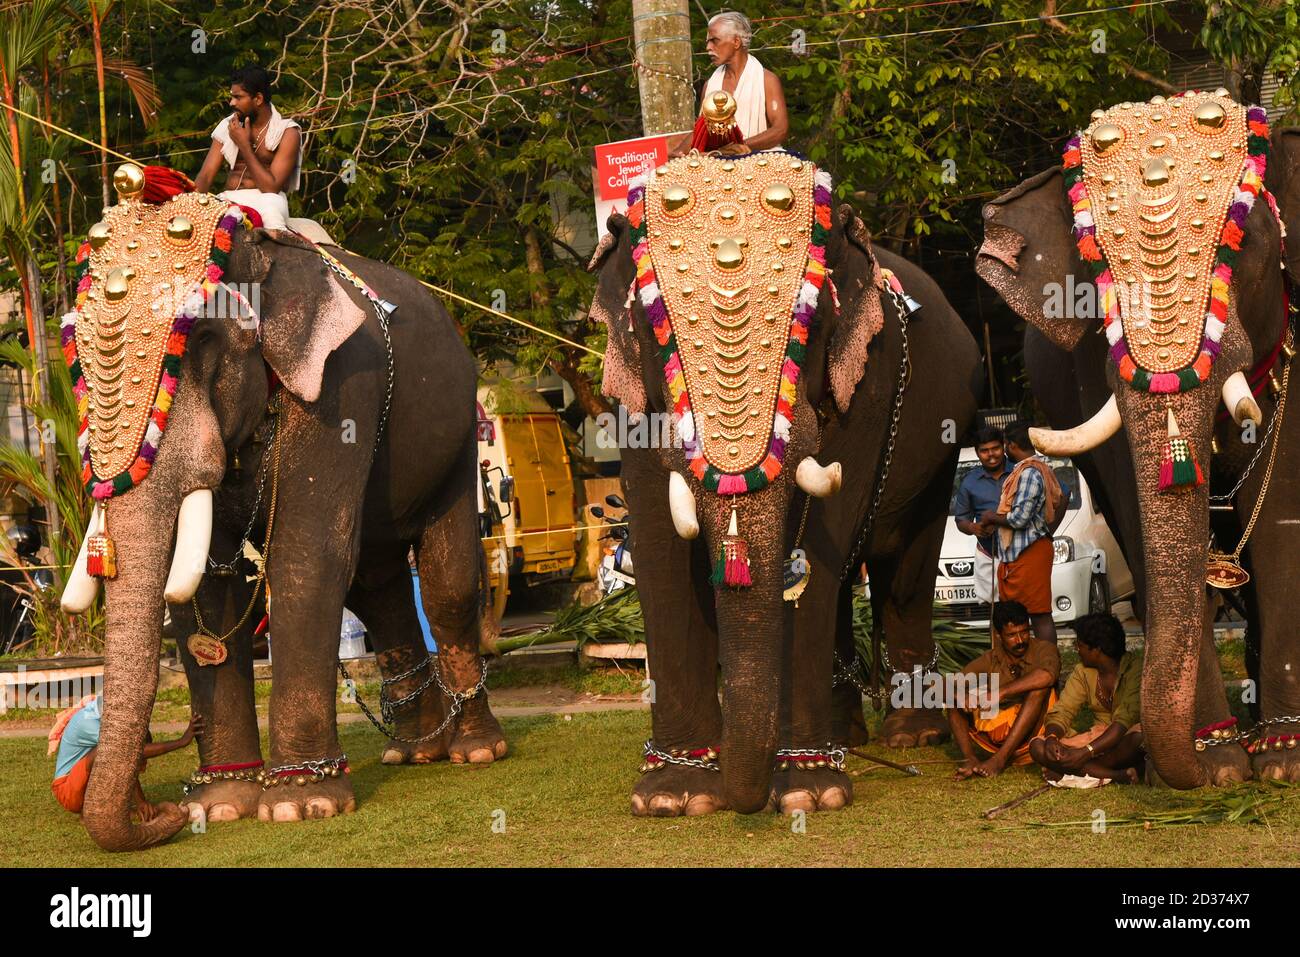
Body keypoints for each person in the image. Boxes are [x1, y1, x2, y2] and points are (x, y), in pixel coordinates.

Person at [948, 600, 1059, 780]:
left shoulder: (1044, 649)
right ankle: (969, 760)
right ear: (998, 635)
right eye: (1012, 635)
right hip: (997, 734)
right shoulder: (989, 659)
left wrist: (1001, 692)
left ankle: (1000, 760)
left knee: (1040, 689)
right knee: (955, 700)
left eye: (1024, 632)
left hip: (1036, 733)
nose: (1020, 640)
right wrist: (961, 695)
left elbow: (1047, 676)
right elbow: (947, 685)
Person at [1030, 613, 1144, 784]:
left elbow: (1123, 723)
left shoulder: (1135, 668)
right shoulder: (1082, 671)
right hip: (1096, 741)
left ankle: (1071, 770)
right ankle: (1117, 776)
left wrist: (1086, 752)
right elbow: (1063, 711)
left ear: (1097, 650)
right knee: (1038, 747)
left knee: (1138, 739)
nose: (1077, 650)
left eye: (1080, 645)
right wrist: (1052, 738)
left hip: (1123, 738)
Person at [49, 694, 204, 819]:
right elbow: (125, 753)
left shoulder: (100, 715)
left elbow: (126, 755)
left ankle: (105, 808)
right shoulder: (87, 721)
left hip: (82, 785)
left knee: (127, 744)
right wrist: (181, 742)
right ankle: (94, 810)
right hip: (67, 791)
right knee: (106, 751)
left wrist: (140, 801)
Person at [980, 423, 1065, 645]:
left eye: (1005, 445)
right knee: (1016, 617)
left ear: (1011, 445)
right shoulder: (1035, 468)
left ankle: (1049, 667)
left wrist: (991, 517)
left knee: (1038, 615)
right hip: (1019, 555)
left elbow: (1019, 519)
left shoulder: (1029, 472)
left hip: (1029, 553)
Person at [193, 65, 302, 230]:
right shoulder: (229, 125)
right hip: (229, 199)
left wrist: (244, 145)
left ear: (258, 99)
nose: (231, 103)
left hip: (268, 201)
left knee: (273, 219)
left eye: (238, 97)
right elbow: (206, 175)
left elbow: (271, 188)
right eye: (232, 97)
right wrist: (191, 204)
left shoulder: (287, 132)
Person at [670, 12, 789, 156]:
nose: (708, 47)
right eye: (708, 41)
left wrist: (739, 147)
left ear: (736, 42)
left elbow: (780, 130)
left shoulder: (767, 80)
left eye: (714, 40)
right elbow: (703, 130)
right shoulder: (710, 85)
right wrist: (679, 151)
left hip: (760, 160)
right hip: (719, 161)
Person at [952, 426, 1010, 604]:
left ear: (1004, 446)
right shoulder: (969, 482)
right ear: (977, 453)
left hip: (1021, 555)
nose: (991, 454)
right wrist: (973, 527)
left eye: (995, 448)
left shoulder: (1020, 471)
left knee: (1024, 609)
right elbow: (961, 520)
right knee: (993, 611)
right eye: (984, 451)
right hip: (988, 555)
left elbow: (1061, 493)